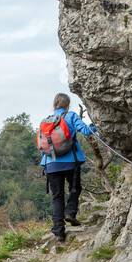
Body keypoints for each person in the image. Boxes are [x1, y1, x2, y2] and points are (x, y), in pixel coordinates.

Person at [38, 92, 102, 243]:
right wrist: (96, 125)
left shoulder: (45, 121)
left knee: (57, 197)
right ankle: (71, 212)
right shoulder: (71, 116)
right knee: (75, 188)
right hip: (70, 161)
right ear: (67, 104)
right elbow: (86, 131)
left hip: (50, 163)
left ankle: (59, 232)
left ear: (54, 105)